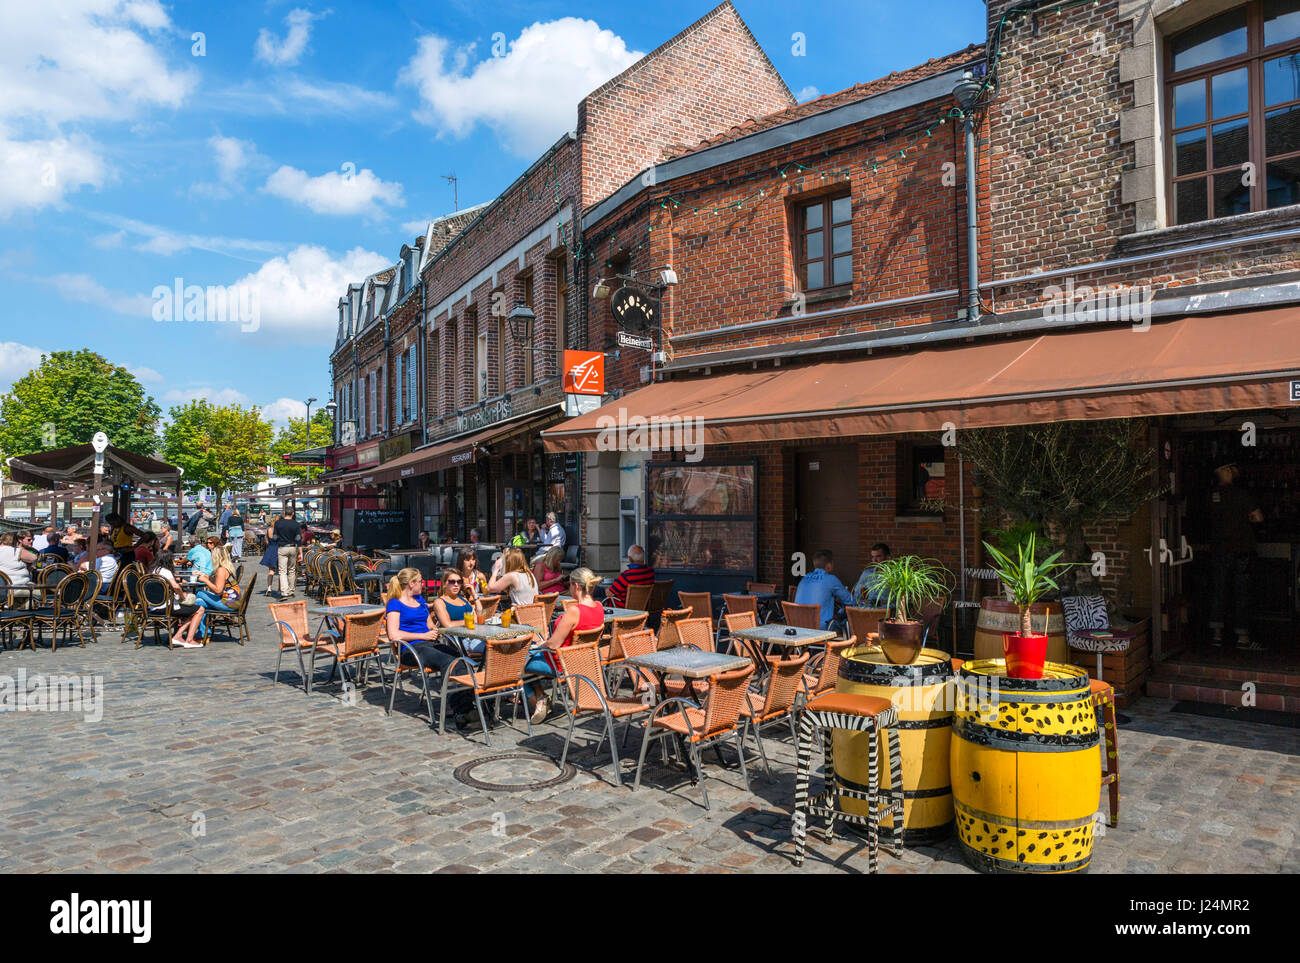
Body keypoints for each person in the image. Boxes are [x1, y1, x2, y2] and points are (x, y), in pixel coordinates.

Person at [523, 567, 606, 722]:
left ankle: (538, 701)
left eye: (569, 585)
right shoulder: (599, 607)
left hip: (561, 664)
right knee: (528, 658)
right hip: (584, 662)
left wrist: (541, 644)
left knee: (517, 661)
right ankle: (541, 696)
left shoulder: (574, 611)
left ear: (576, 586)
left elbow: (554, 644)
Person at [1207, 463, 1264, 650]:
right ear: (1230, 473)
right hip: (1241, 549)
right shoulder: (1242, 494)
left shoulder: (1212, 496)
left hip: (1219, 550)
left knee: (1218, 591)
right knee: (1242, 593)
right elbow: (1258, 517)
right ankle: (1243, 638)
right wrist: (1245, 518)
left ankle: (1217, 635)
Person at [172, 542, 238, 647]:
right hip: (231, 601)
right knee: (199, 604)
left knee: (200, 594)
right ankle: (195, 636)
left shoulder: (221, 570)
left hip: (230, 603)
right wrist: (204, 576)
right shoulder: (225, 568)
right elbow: (217, 582)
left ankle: (196, 633)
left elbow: (218, 590)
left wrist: (205, 581)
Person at [794, 549, 854, 632]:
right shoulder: (831, 579)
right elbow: (850, 601)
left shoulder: (804, 579)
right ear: (829, 565)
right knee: (847, 620)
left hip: (798, 627)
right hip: (821, 629)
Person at [273, 506, 303, 599]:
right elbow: (298, 539)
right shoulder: (296, 524)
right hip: (293, 548)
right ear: (293, 513)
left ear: (284, 513)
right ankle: (291, 590)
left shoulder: (278, 523)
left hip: (282, 548)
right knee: (292, 570)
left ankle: (284, 592)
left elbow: (274, 537)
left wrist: (279, 540)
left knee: (282, 571)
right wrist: (300, 552)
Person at [853, 543, 892, 608]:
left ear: (888, 557)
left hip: (888, 613)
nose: (874, 560)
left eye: (878, 556)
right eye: (873, 557)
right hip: (868, 612)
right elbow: (856, 596)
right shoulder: (867, 574)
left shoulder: (894, 576)